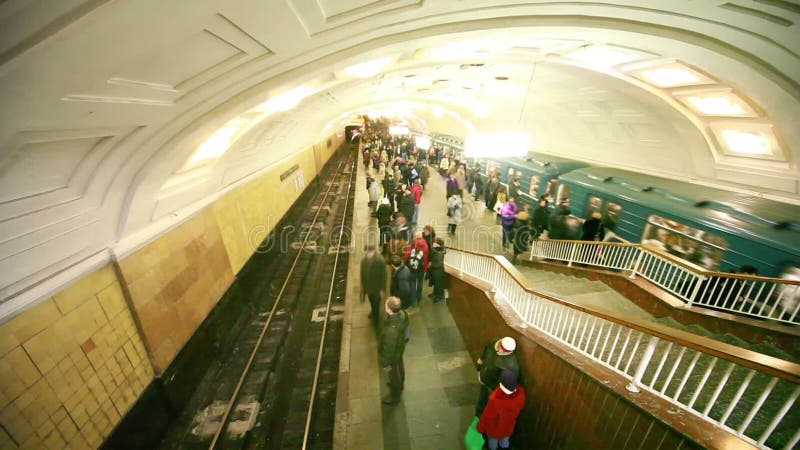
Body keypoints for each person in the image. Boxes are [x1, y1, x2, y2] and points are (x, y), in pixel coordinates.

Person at [477, 369, 526, 450]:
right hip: (508, 427)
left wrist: (480, 428)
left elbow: (487, 416)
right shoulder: (521, 396)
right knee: (505, 441)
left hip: (494, 430)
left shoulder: (495, 400)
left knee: (493, 443)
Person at [476, 337, 520, 416]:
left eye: (504, 350)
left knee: (488, 407)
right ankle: (478, 417)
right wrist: (479, 370)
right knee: (481, 402)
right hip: (484, 379)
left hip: (492, 388)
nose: (500, 350)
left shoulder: (511, 366)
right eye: (500, 347)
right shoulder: (493, 343)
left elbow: (508, 386)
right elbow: (483, 356)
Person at [380, 296, 409, 404]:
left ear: (389, 309)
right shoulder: (402, 314)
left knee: (393, 373)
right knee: (400, 365)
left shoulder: (391, 331)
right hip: (400, 347)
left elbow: (388, 350)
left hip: (393, 354)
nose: (385, 305)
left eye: (386, 304)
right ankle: (400, 384)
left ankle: (395, 395)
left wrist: (385, 363)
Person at [360, 245, 387, 326]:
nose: (367, 254)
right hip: (368, 287)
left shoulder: (380, 261)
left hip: (377, 288)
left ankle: (376, 320)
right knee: (371, 302)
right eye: (366, 252)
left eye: (368, 252)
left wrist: (382, 289)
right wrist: (362, 286)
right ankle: (373, 312)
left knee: (376, 304)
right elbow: (362, 274)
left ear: (373, 252)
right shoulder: (363, 261)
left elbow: (384, 276)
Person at [404, 233, 429, 306]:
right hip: (421, 267)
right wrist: (425, 268)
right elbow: (426, 259)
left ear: (415, 237)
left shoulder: (412, 244)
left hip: (413, 268)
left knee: (412, 283)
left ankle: (413, 299)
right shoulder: (426, 246)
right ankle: (419, 298)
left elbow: (407, 256)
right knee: (420, 282)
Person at [428, 238, 447, 303]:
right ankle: (435, 293)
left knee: (438, 284)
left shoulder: (439, 252)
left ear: (438, 244)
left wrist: (431, 265)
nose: (433, 243)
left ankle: (438, 296)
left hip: (438, 271)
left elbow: (439, 264)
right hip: (435, 270)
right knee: (435, 283)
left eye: (435, 242)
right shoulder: (436, 249)